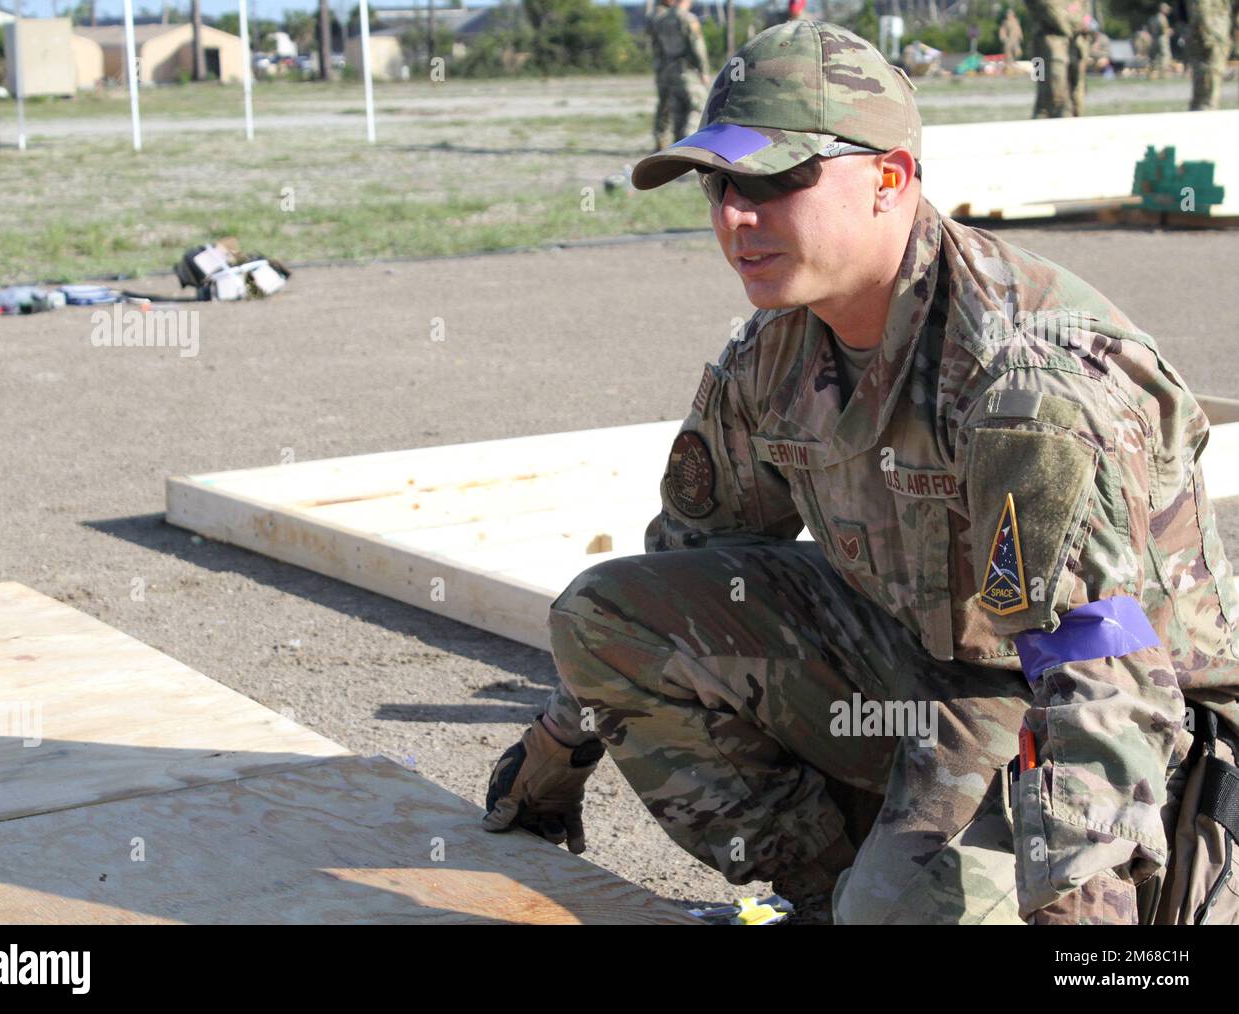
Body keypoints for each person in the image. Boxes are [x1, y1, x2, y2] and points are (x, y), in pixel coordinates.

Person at [483, 19, 1239, 925]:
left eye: (777, 181)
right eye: (720, 183)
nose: (734, 215)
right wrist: (562, 741)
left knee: (908, 913)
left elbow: (1099, 680)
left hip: (1108, 730)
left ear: (890, 178)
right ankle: (834, 892)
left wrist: (1093, 942)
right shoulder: (773, 352)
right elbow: (685, 567)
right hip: (922, 668)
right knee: (605, 613)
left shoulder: (1020, 384)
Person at [648, 0, 711, 153]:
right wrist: (704, 71)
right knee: (697, 107)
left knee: (677, 111)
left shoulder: (660, 19)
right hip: (686, 72)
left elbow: (656, 48)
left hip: (668, 71)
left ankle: (676, 147)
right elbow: (697, 46)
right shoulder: (687, 18)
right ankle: (689, 146)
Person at [1025, 0, 1076, 115]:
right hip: (1049, 43)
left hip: (1050, 43)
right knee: (1051, 92)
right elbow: (1052, 12)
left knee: (1055, 90)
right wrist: (1069, 30)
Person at [1185, 0, 1233, 109]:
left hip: (1215, 36)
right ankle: (1206, 110)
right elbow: (1202, 11)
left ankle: (1205, 108)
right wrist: (1209, 37)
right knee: (1210, 78)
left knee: (1211, 77)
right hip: (1212, 38)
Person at [1149, 2, 1176, 77]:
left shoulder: (1154, 18)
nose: (1168, 10)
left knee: (1156, 56)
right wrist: (1170, 31)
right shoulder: (1162, 18)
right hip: (1162, 39)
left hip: (1154, 38)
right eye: (1167, 9)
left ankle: (1155, 72)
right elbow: (1164, 30)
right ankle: (1164, 72)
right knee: (1165, 55)